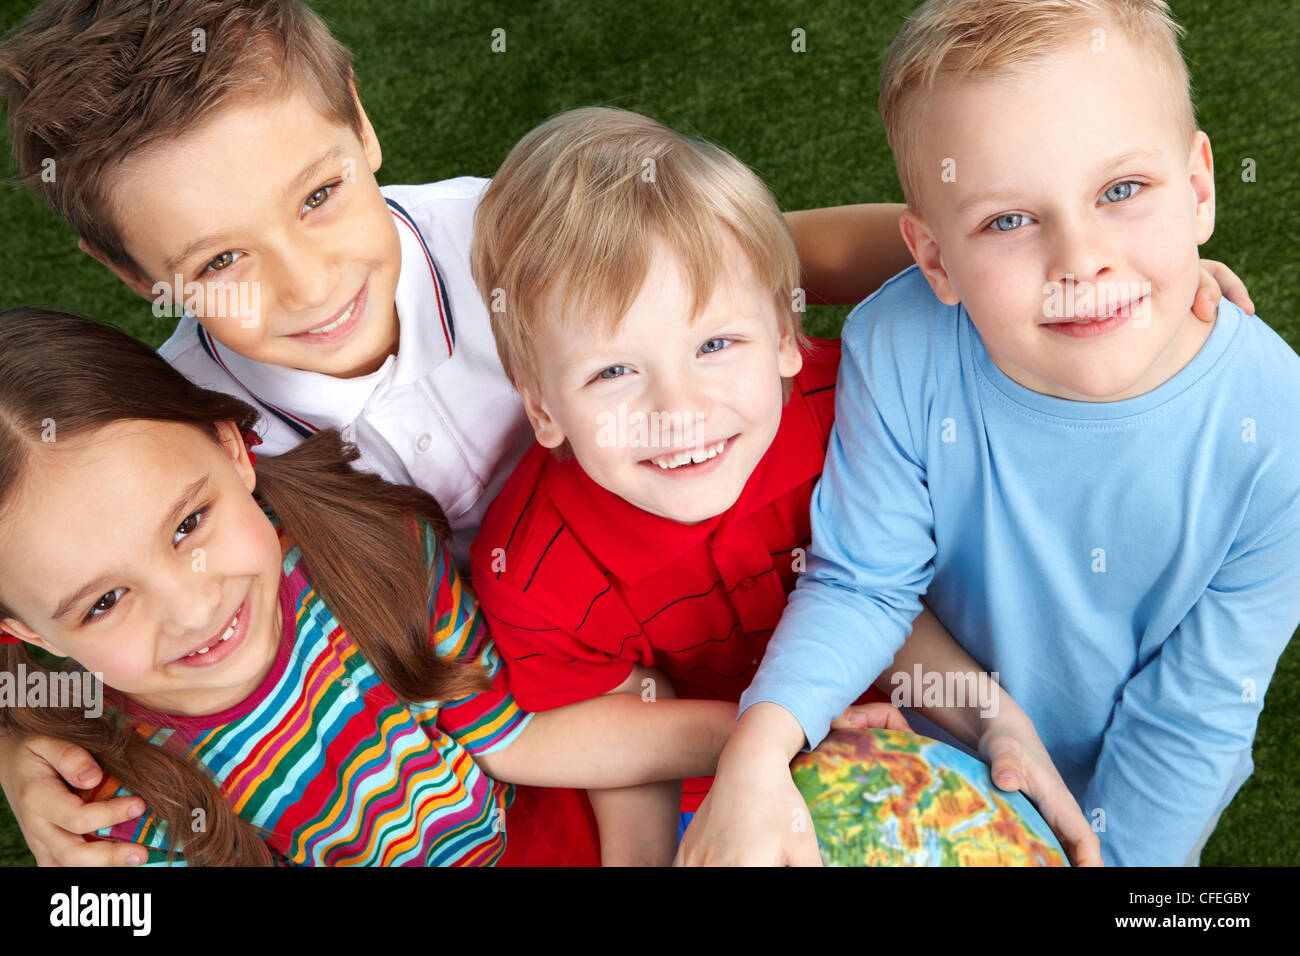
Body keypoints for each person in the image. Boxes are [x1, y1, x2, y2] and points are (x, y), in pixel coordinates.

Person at [0, 0, 1248, 866]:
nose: (307, 278)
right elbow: (68, 568)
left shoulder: (516, 240)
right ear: (127, 269)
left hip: (722, 580)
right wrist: (22, 737)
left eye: (322, 194)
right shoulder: (191, 440)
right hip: (542, 682)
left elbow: (773, 258)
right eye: (219, 262)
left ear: (365, 128)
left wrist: (1073, 273)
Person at [679, 0, 1300, 866]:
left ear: (1198, 188)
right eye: (1009, 220)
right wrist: (758, 743)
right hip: (930, 754)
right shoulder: (895, 345)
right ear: (933, 259)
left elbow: (1195, 712)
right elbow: (864, 584)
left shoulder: (1276, 422)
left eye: (1121, 191)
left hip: (1133, 797)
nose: (1081, 261)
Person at [468, 106, 1101, 866]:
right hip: (712, 782)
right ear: (542, 407)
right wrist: (760, 740)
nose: (680, 412)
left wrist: (1119, 293)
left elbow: (876, 588)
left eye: (715, 343)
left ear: (781, 339)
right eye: (613, 372)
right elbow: (590, 715)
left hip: (904, 734)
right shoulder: (535, 563)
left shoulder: (856, 411)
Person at [0, 306, 745, 865]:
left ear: (233, 449)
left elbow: (514, 737)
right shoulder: (108, 808)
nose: (194, 606)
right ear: (27, 633)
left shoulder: (369, 546)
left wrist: (776, 730)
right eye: (103, 604)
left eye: (190, 524)